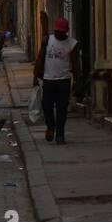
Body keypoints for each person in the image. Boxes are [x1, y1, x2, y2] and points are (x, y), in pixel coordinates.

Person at [33, 16, 78, 144]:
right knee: (46, 106)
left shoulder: (72, 43)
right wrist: (35, 76)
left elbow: (75, 64)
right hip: (48, 79)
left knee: (62, 109)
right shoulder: (47, 40)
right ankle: (51, 126)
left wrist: (75, 81)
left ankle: (60, 134)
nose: (59, 34)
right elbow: (40, 58)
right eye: (57, 31)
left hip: (64, 80)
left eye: (61, 32)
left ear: (66, 31)